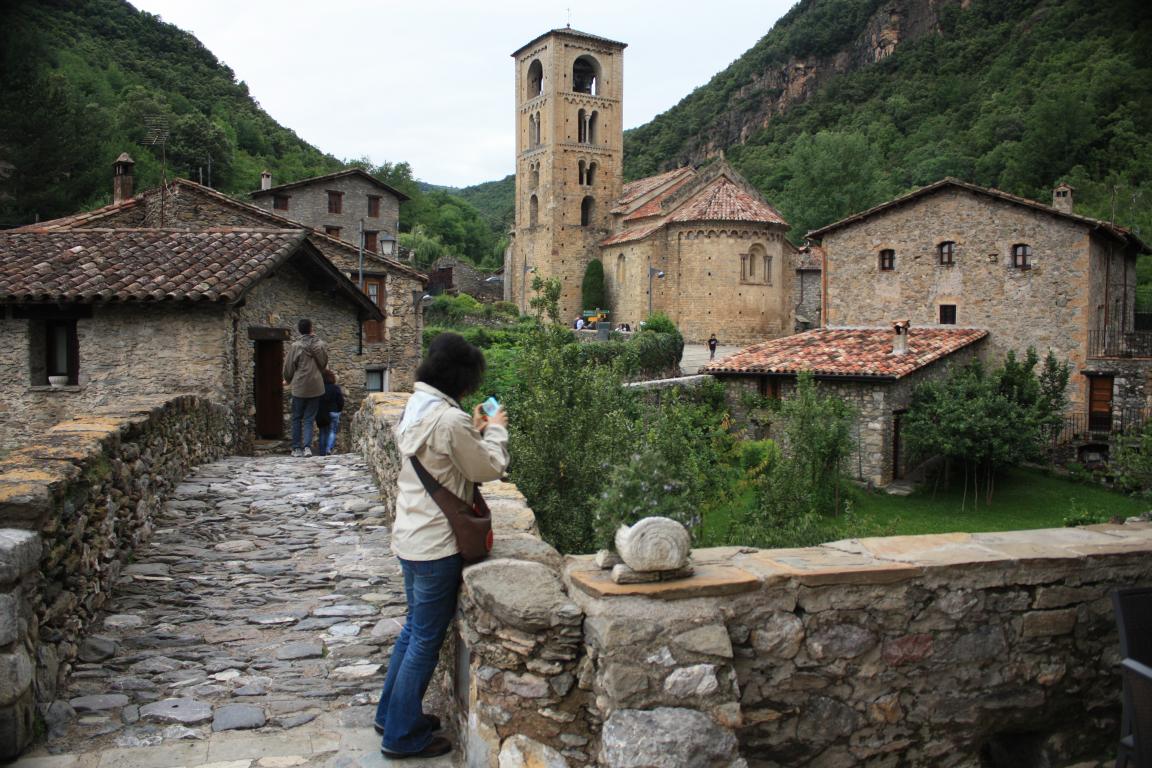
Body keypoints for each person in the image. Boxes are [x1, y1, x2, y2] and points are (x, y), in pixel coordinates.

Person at [375, 332, 509, 759]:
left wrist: (473, 428)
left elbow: (444, 456)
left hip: (410, 534)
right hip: (437, 544)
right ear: (463, 379)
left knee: (413, 630)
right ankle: (401, 736)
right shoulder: (449, 421)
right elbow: (488, 468)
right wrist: (495, 431)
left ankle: (390, 715)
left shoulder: (418, 405)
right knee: (425, 639)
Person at [282, 318, 328, 458]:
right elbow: (324, 364)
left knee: (296, 418)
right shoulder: (320, 345)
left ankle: (296, 448)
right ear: (311, 329)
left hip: (300, 387)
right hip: (316, 386)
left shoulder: (296, 346)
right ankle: (307, 447)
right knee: (309, 418)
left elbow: (289, 366)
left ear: (299, 330)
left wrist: (287, 379)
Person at [315, 369, 344, 456]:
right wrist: (339, 410)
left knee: (322, 432)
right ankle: (329, 448)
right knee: (332, 431)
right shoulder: (335, 388)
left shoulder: (319, 388)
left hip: (322, 413)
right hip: (334, 411)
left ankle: (322, 452)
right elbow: (340, 401)